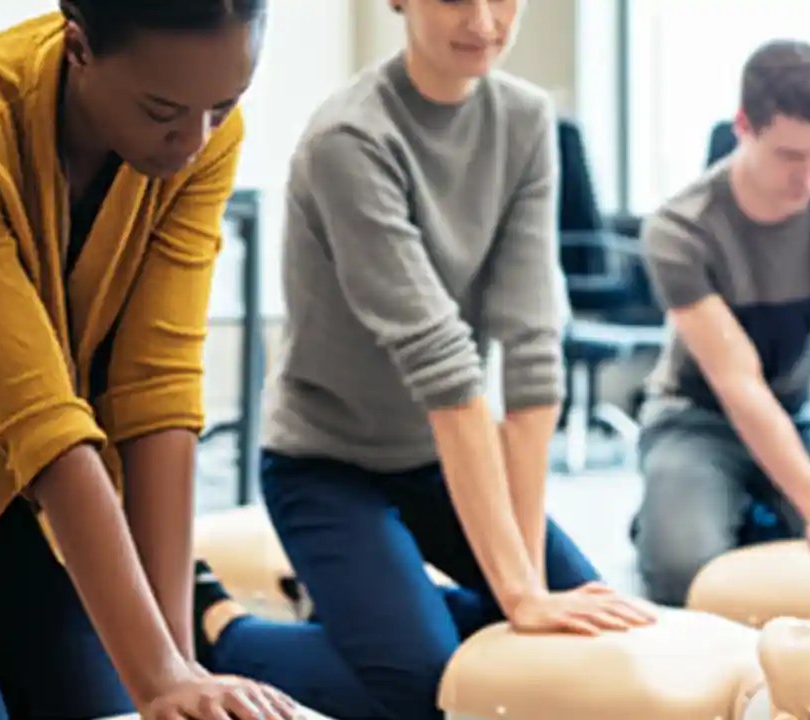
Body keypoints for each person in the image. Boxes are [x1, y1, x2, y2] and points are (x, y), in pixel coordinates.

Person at [0, 3, 298, 719]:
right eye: (162, 108)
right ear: (79, 47)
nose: (193, 142)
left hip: (12, 507)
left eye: (223, 107)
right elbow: (39, 414)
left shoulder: (199, 133)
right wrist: (157, 674)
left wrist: (177, 661)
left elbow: (155, 387)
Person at [189, 1, 655, 718]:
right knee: (420, 686)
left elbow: (532, 351)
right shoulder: (350, 138)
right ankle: (220, 623)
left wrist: (528, 587)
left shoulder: (526, 120)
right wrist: (518, 595)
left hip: (440, 463)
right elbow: (447, 369)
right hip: (326, 464)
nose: (482, 19)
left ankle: (363, 606)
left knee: (580, 630)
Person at [631, 39, 810, 607]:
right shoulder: (679, 228)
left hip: (796, 418)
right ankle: (682, 509)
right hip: (695, 418)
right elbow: (738, 383)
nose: (808, 178)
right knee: (684, 572)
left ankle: (752, 513)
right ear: (744, 127)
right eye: (789, 156)